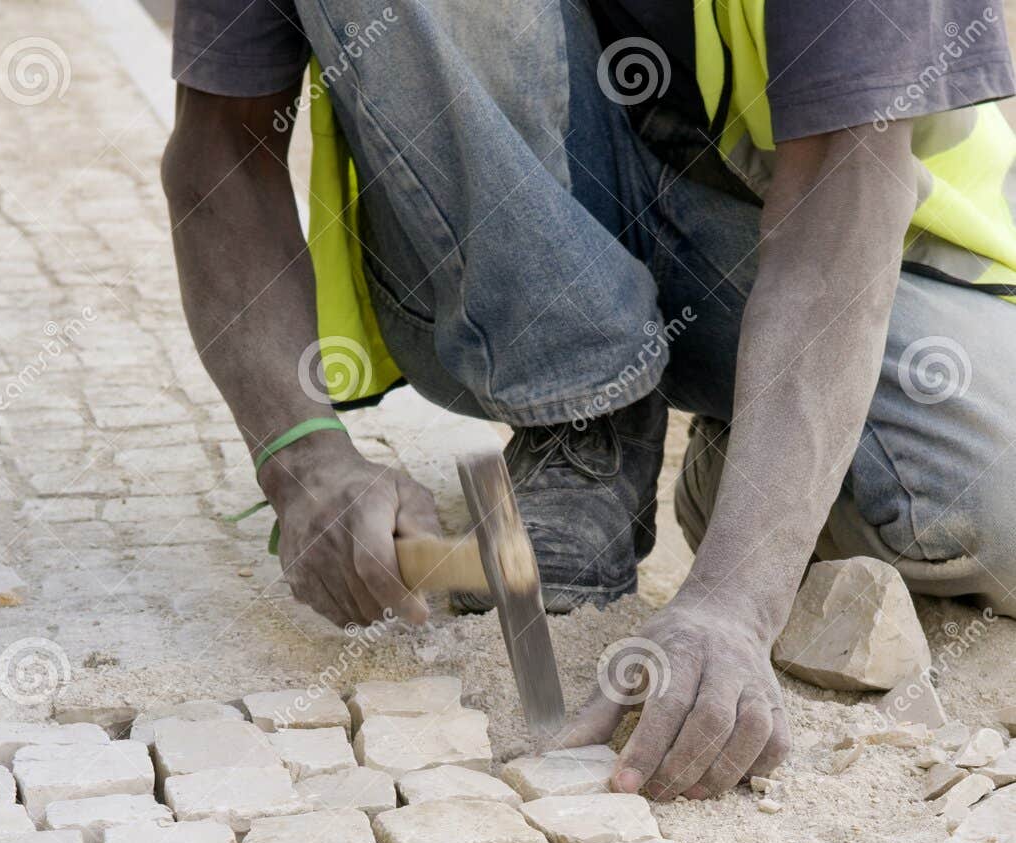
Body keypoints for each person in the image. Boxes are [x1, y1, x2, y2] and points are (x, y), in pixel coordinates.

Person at [164, 2, 1016, 798]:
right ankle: (582, 427)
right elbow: (221, 143)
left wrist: (736, 600)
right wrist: (302, 459)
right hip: (512, 242)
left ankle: (759, 464)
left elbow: (846, 176)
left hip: (820, 247)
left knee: (987, 504)